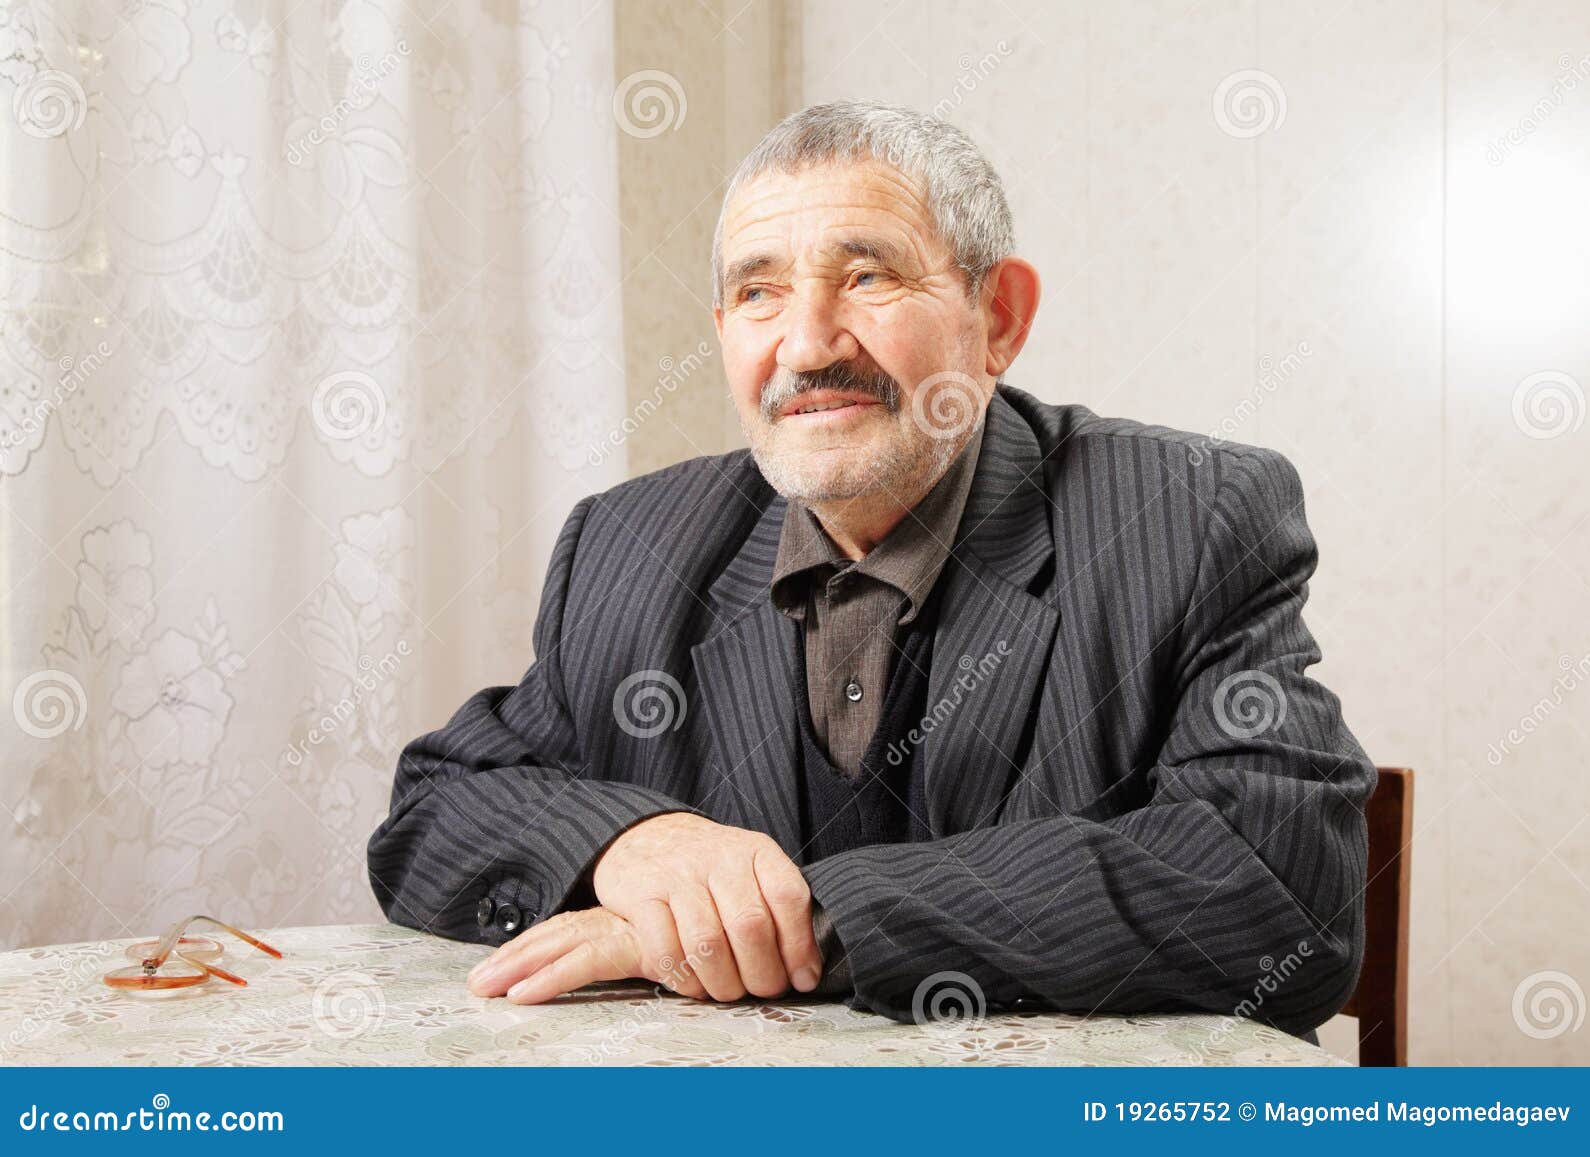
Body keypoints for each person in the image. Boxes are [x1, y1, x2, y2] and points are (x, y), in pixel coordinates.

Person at [367, 100, 1375, 1034]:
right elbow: (433, 809)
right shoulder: (627, 541)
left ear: (998, 318)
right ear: (723, 333)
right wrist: (625, 842)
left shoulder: (1187, 513)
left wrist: (811, 919)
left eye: (867, 277)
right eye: (758, 292)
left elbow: (1280, 887)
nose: (806, 344)